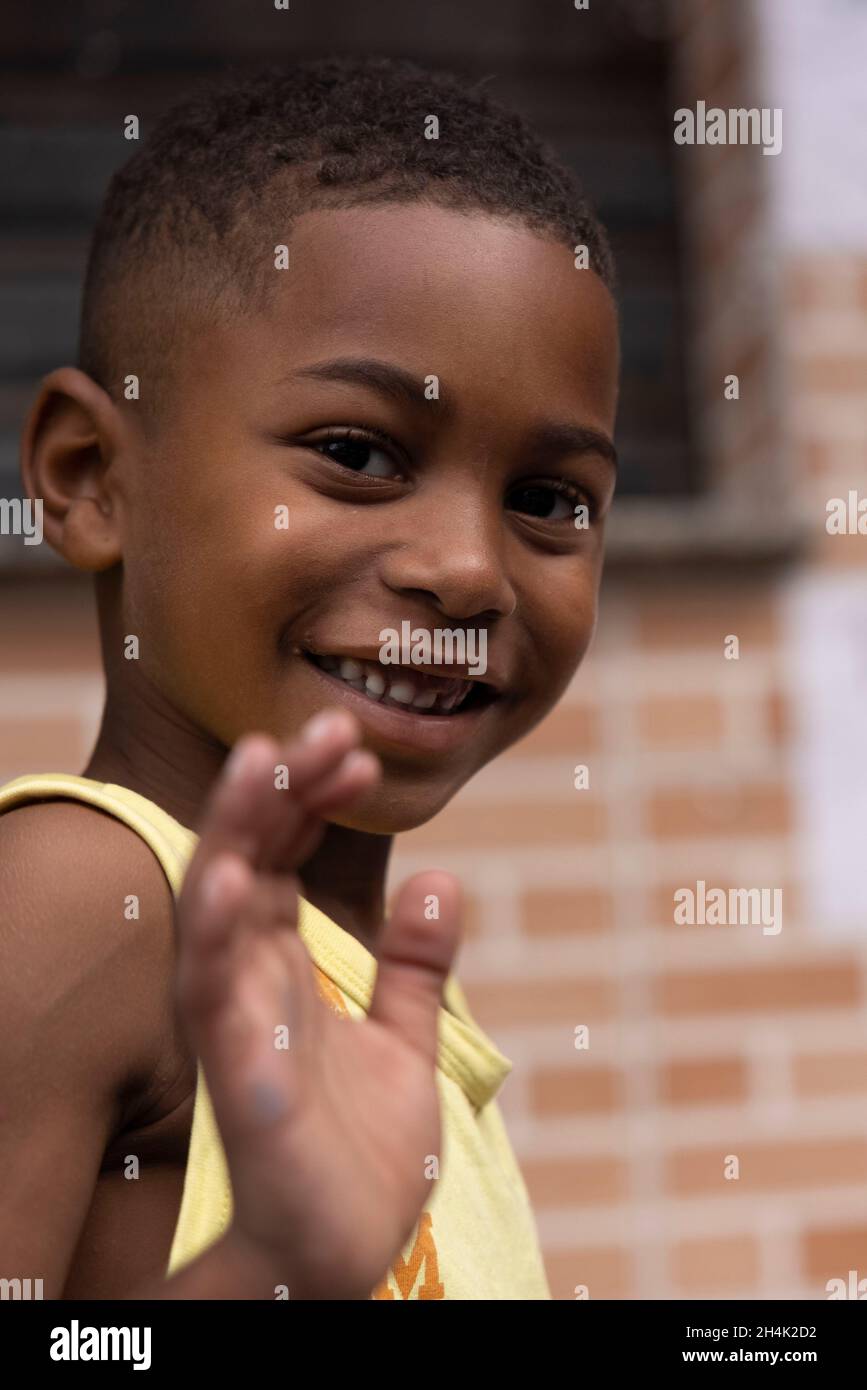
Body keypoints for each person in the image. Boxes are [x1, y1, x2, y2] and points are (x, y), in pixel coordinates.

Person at [0, 54, 619, 1299]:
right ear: (88, 476)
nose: (466, 570)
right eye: (358, 454)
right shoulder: (86, 903)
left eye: (549, 501)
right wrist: (270, 1262)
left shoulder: (383, 1017)